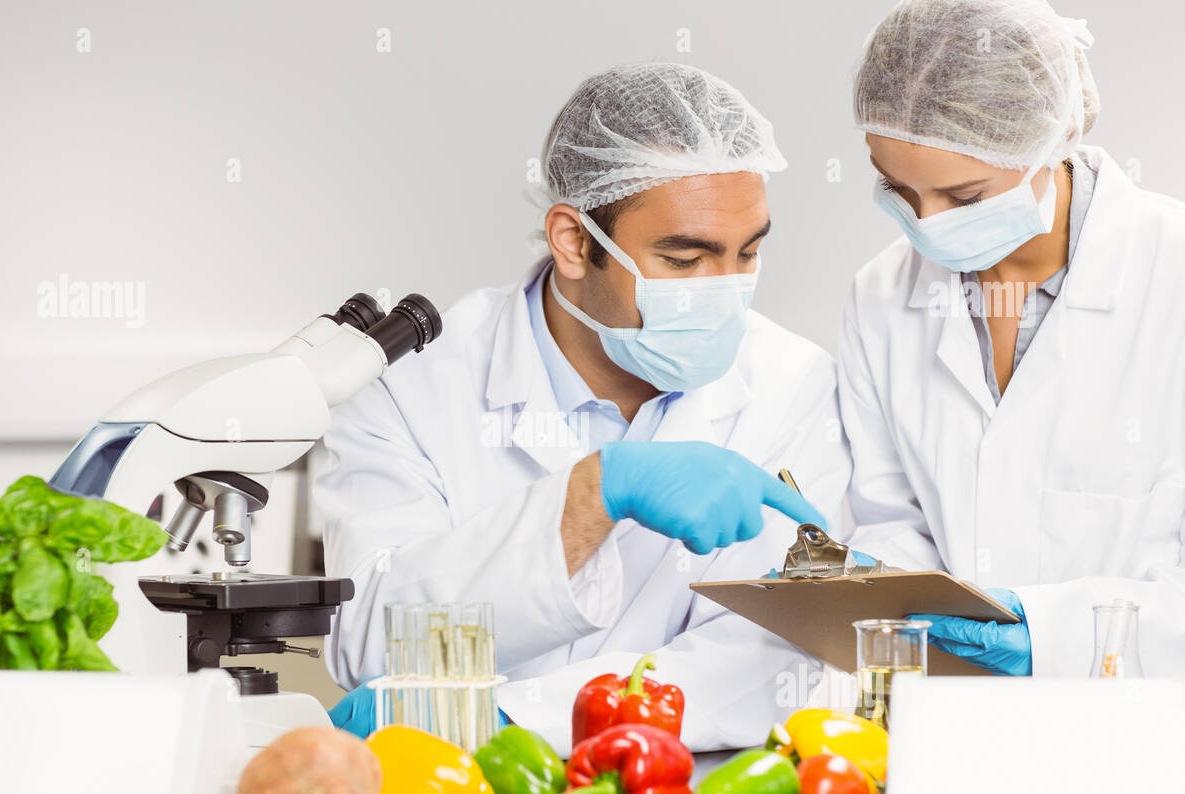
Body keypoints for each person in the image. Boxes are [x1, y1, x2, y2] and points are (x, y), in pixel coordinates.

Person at [317, 63, 853, 754]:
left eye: (746, 253)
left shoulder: (794, 383)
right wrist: (591, 497)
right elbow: (369, 640)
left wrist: (517, 722)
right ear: (573, 241)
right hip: (448, 792)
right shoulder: (410, 386)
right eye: (684, 260)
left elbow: (767, 658)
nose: (726, 290)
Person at [841, 0, 1185, 677]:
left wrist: (1060, 637)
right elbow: (888, 519)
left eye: (964, 198)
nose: (926, 225)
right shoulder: (880, 294)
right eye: (897, 191)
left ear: (1050, 140)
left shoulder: (1169, 272)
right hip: (948, 712)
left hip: (1147, 728)